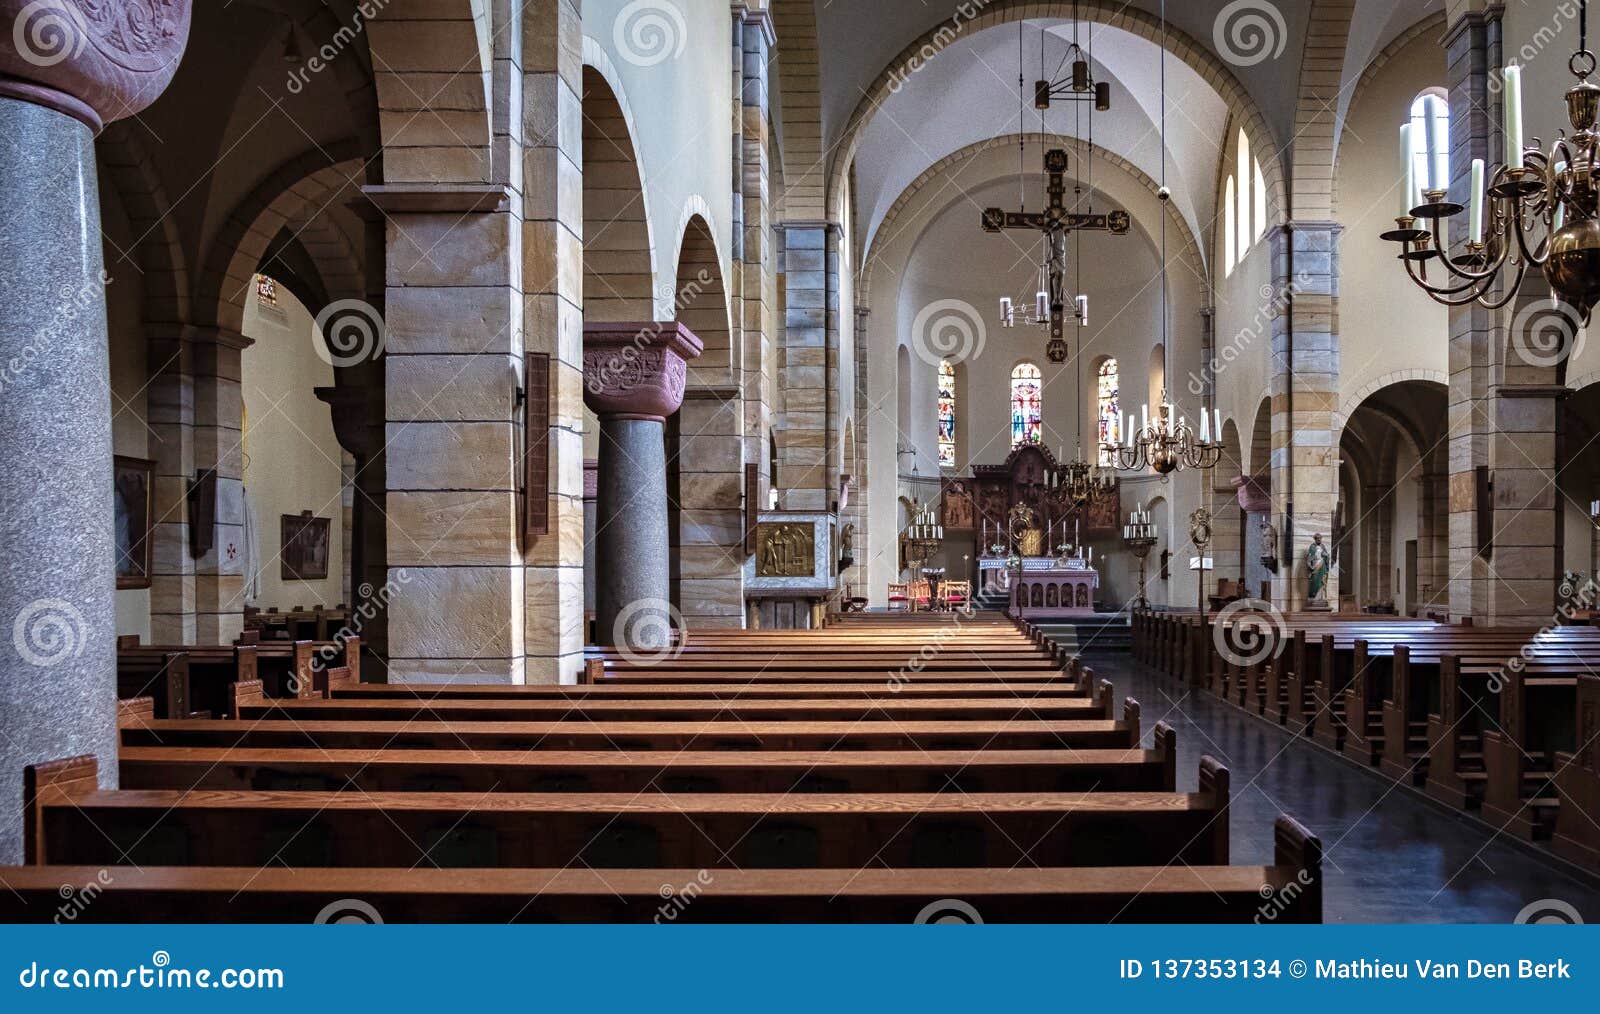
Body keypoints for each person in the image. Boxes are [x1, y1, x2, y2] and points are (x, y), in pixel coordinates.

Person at [1304, 532, 1331, 604]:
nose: (1319, 540)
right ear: (1315, 539)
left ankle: (1320, 598)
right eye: (1318, 539)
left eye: (1320, 539)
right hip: (1315, 566)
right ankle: (1313, 598)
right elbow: (1309, 557)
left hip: (1322, 566)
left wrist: (1326, 555)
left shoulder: (1322, 546)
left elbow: (1327, 556)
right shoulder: (1312, 547)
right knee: (1315, 581)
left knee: (1322, 582)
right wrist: (1314, 557)